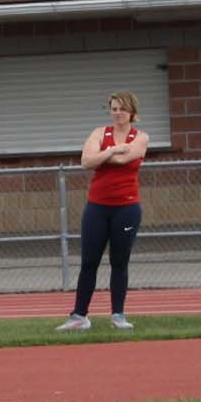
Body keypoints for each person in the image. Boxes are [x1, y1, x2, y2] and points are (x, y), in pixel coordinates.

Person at [57, 91, 149, 332]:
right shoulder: (99, 133)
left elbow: (125, 159)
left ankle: (118, 315)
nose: (117, 113)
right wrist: (109, 152)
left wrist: (104, 155)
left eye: (122, 109)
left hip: (127, 208)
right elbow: (86, 161)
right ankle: (79, 315)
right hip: (98, 206)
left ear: (132, 112)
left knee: (119, 261)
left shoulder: (141, 137)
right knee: (89, 261)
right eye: (114, 108)